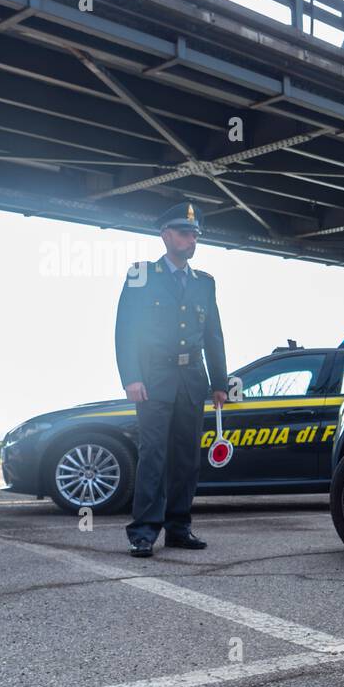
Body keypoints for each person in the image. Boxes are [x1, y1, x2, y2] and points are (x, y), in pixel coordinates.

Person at [114, 201, 228, 557]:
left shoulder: (205, 283)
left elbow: (214, 335)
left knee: (186, 458)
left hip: (192, 378)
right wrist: (131, 377)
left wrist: (219, 382)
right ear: (165, 235)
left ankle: (179, 527)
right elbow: (125, 331)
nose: (191, 238)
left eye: (195, 233)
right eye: (184, 232)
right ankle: (144, 531)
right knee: (153, 456)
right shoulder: (141, 274)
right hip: (154, 377)